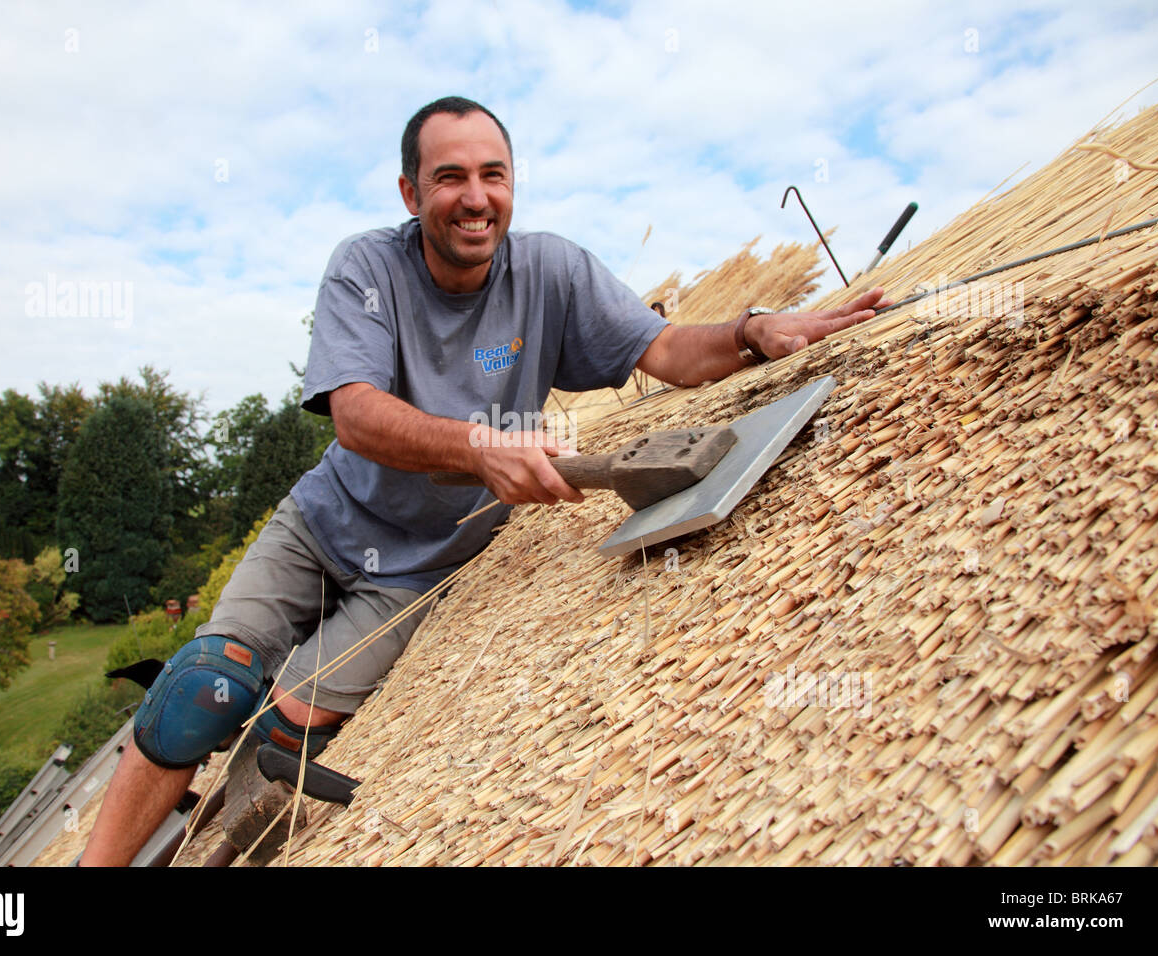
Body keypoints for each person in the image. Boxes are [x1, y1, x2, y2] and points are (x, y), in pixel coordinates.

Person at [79, 96, 889, 865]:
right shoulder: (365, 268)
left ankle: (241, 795)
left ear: (511, 183)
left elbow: (670, 352)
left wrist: (752, 332)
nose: (476, 198)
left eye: (493, 175)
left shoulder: (552, 274)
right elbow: (356, 414)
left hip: (422, 570)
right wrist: (478, 447)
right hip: (324, 523)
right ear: (410, 191)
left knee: (286, 733)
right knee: (200, 694)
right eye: (450, 177)